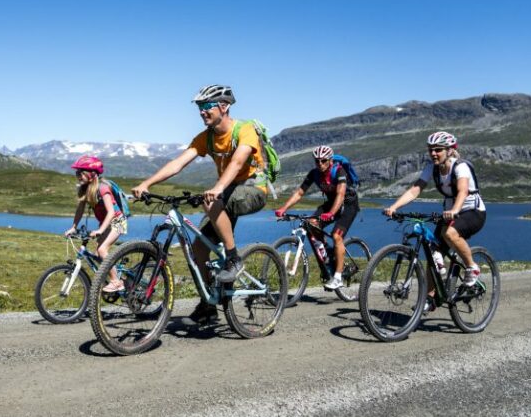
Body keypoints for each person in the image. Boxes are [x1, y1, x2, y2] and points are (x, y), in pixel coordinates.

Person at [131, 84, 267, 324]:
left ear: (223, 107)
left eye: (206, 107)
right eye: (199, 108)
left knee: (209, 201)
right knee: (199, 248)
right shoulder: (206, 138)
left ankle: (234, 258)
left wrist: (217, 188)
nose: (202, 112)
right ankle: (209, 304)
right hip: (226, 193)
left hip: (252, 189)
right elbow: (178, 163)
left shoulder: (244, 130)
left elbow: (237, 163)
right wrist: (147, 183)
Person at [383, 131, 486, 305]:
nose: (433, 153)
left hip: (472, 212)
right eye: (431, 149)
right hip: (450, 213)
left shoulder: (460, 167)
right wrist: (394, 207)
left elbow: (463, 191)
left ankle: (472, 267)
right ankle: (431, 297)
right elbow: (416, 189)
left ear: (450, 150)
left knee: (451, 234)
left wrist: (454, 210)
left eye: (438, 150)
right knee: (433, 254)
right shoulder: (432, 167)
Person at [274, 145, 359, 290]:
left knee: (336, 236)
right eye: (317, 161)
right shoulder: (314, 173)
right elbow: (300, 193)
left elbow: (340, 194)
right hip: (331, 204)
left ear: (330, 161)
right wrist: (284, 208)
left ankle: (338, 277)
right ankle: (326, 251)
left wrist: (331, 213)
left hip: (348, 204)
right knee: (311, 224)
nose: (320, 164)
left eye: (323, 160)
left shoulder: (339, 171)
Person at [65, 155, 128, 293]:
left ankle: (116, 282)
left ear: (92, 174)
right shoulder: (85, 189)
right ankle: (119, 276)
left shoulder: (103, 188)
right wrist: (73, 227)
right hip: (106, 223)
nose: (78, 175)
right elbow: (80, 209)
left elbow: (111, 212)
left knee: (101, 250)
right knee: (98, 254)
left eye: (81, 172)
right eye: (77, 173)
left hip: (117, 221)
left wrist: (100, 230)